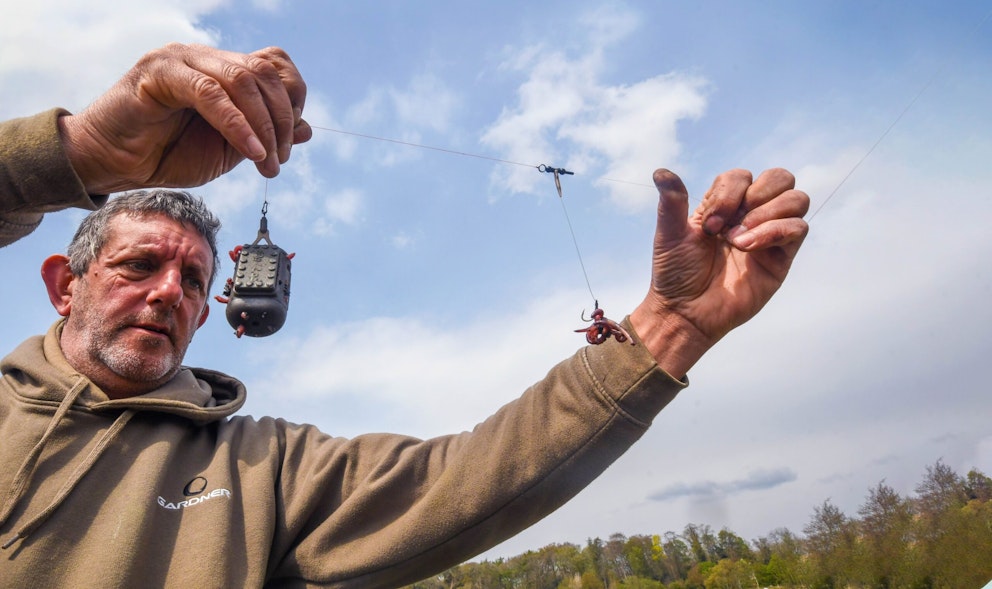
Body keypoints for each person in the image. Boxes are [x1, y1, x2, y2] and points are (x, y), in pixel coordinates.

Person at [0, 43, 809, 588]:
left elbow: (464, 476)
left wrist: (670, 326)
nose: (168, 292)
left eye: (192, 279)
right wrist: (80, 154)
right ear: (64, 285)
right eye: (138, 265)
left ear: (214, 308)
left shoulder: (260, 468)